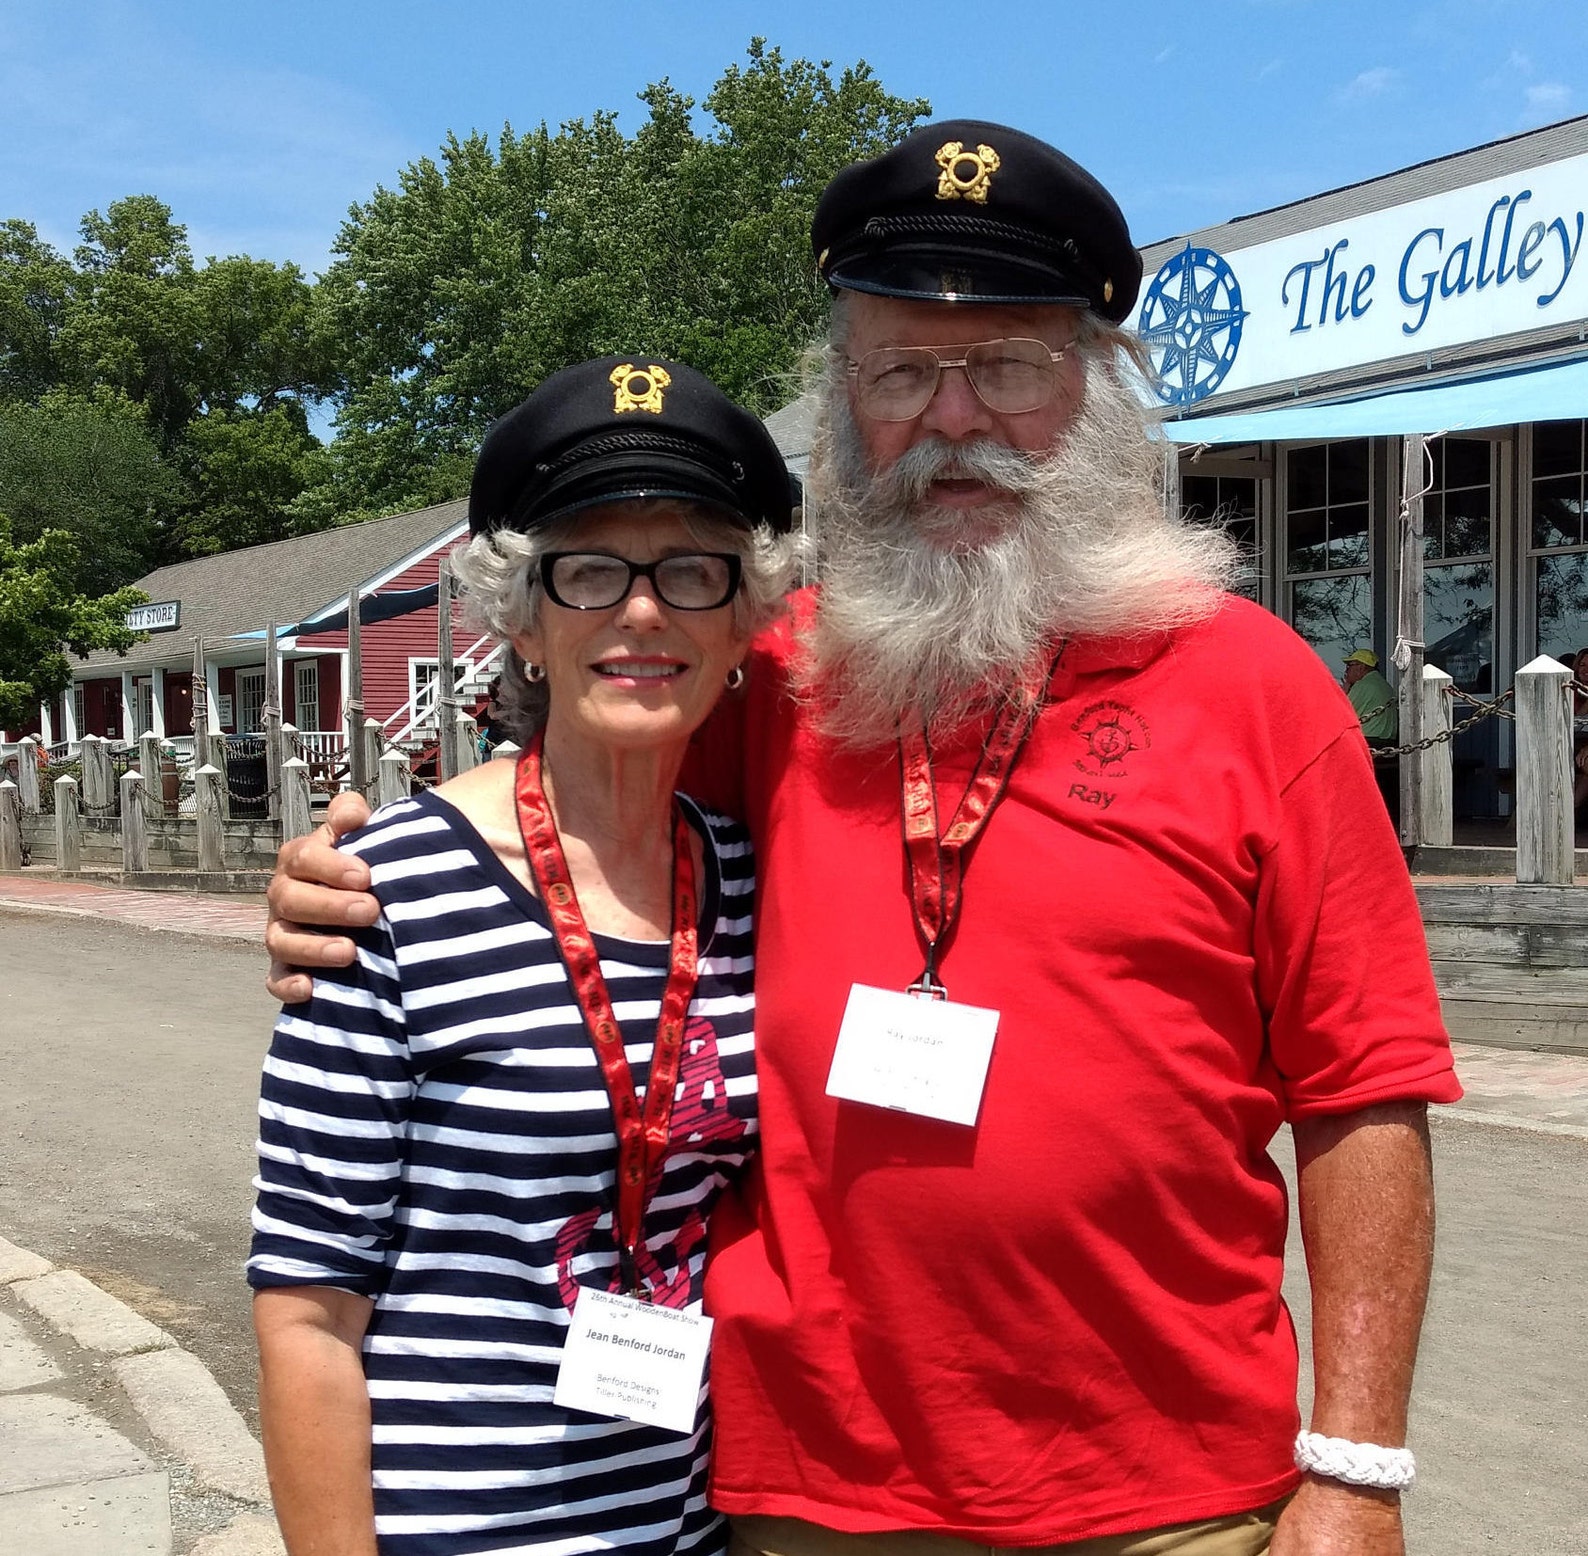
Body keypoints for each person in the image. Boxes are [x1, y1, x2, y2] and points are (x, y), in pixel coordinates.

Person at [266, 121, 1460, 1556]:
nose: (953, 421)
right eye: (900, 372)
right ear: (841, 408)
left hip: (1166, 1495)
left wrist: (1358, 1465)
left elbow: (1365, 1092)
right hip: (802, 1496)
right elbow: (570, 799)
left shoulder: (1255, 687)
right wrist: (349, 876)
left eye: (1007, 366)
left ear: (1097, 390)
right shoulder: (766, 673)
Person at [249, 356, 798, 1556]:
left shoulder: (759, 882)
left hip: (695, 1527)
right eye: (590, 568)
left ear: (743, 622)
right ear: (526, 619)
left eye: (692, 569)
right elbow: (305, 1309)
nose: (642, 611)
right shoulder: (377, 892)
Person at [1343, 648, 1398, 744]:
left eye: (1349, 666)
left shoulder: (1363, 685)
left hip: (1368, 741)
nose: (1346, 670)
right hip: (1389, 741)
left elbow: (1341, 714)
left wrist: (1345, 689)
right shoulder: (1386, 685)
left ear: (1361, 667)